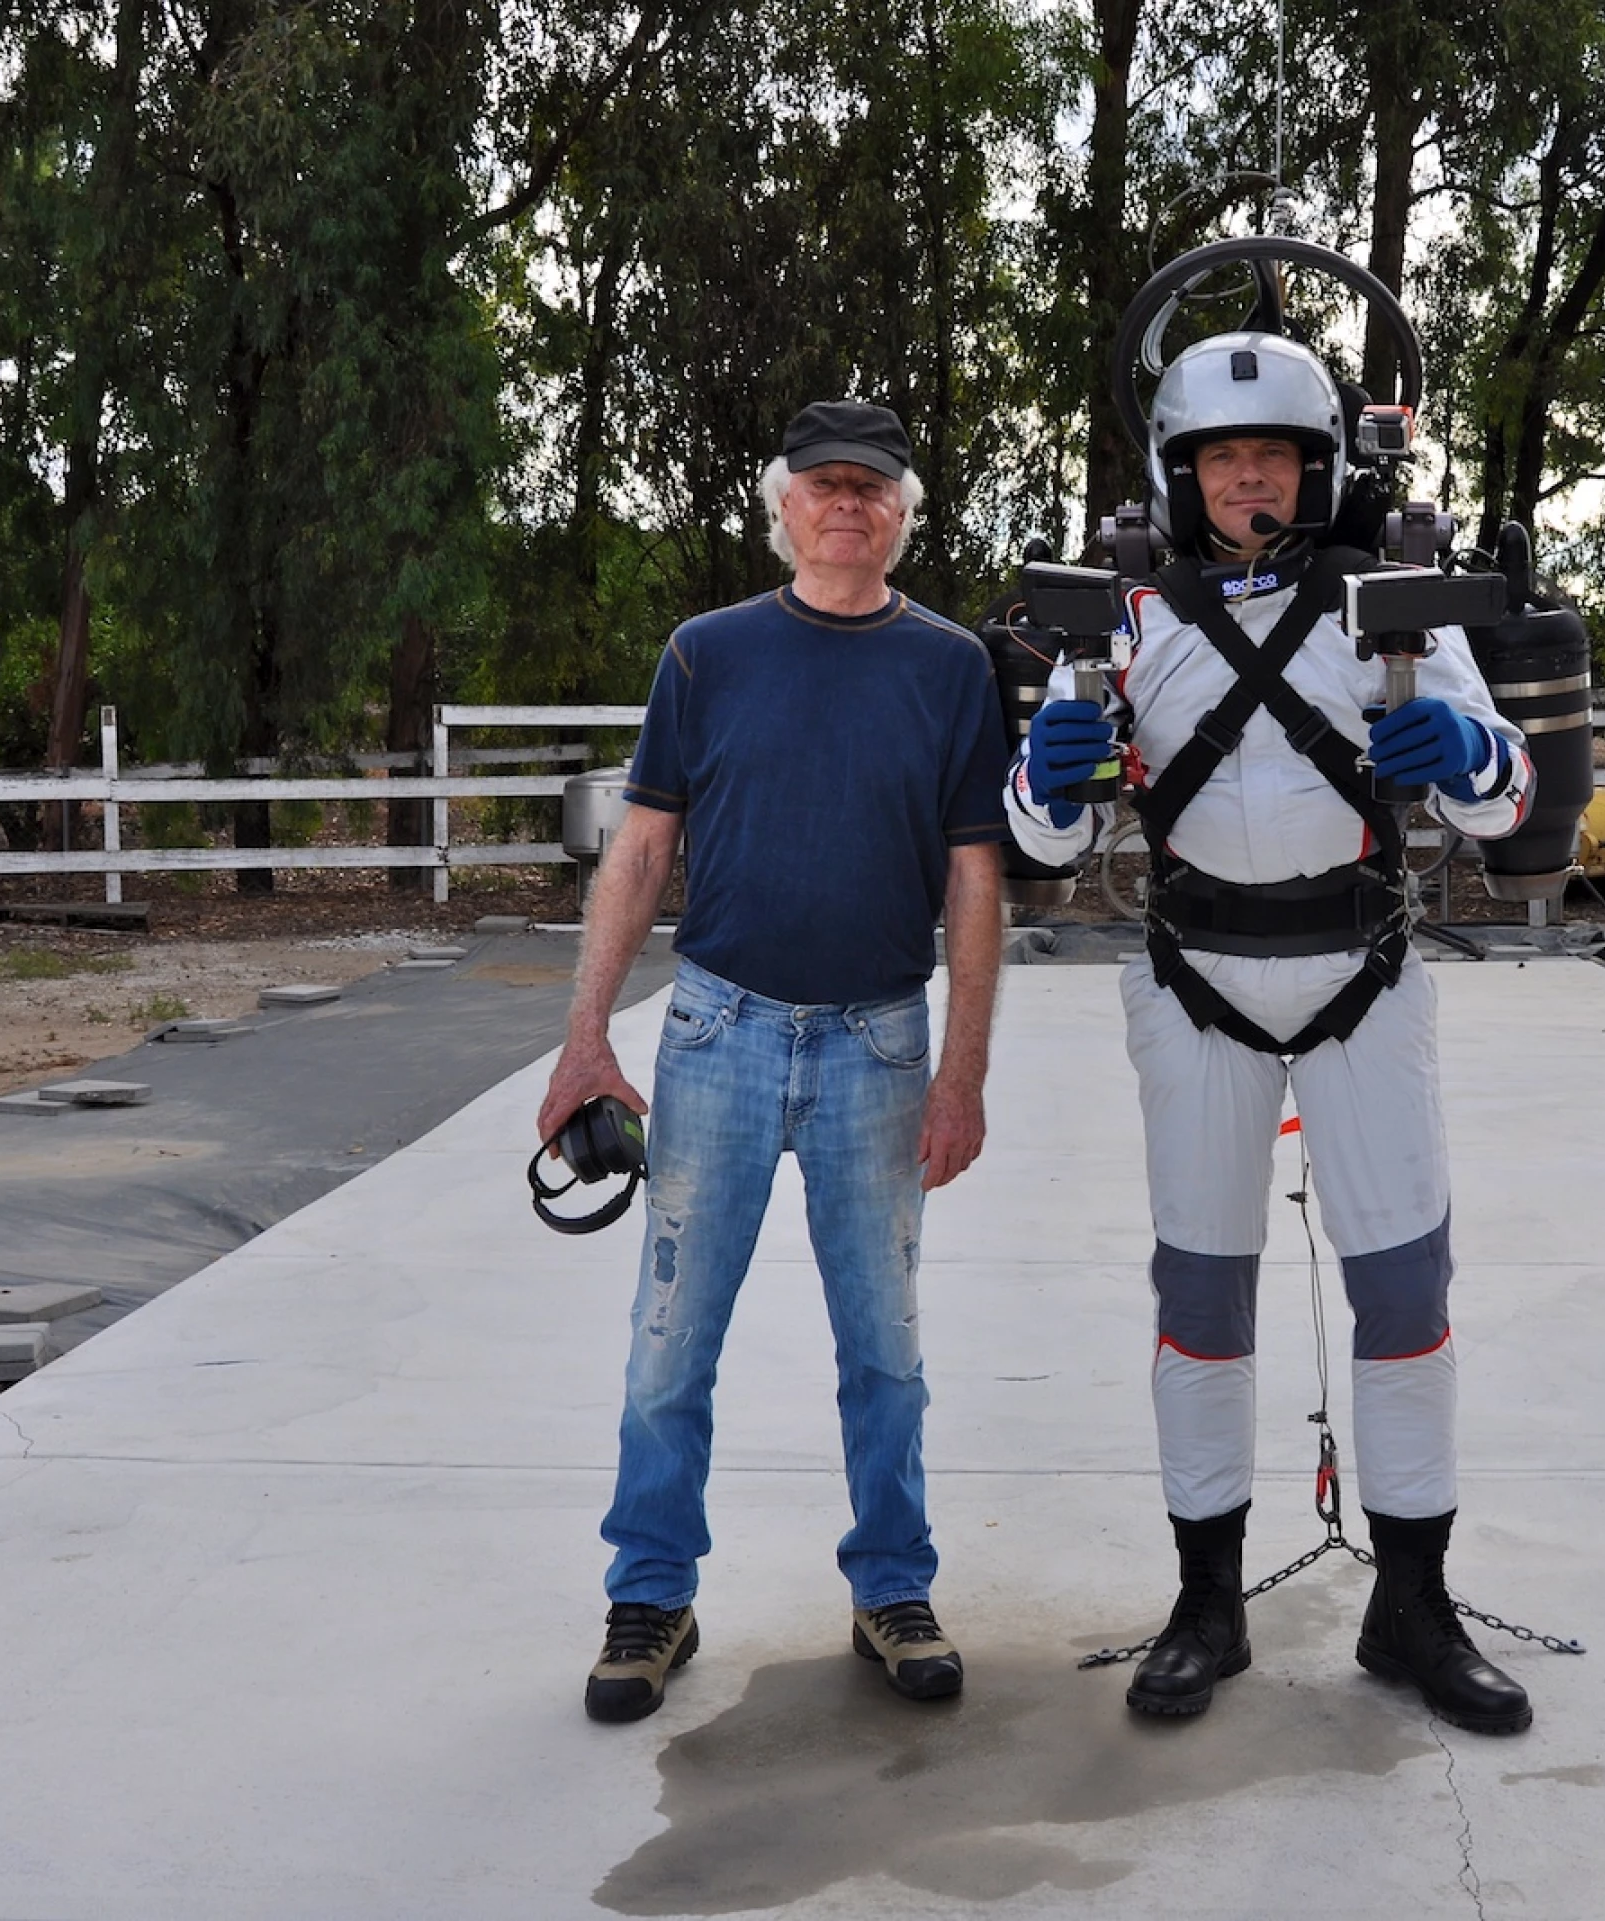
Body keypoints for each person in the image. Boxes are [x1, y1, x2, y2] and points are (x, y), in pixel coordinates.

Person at [1004, 330, 1538, 1735]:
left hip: (1362, 980)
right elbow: (1044, 837)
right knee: (1200, 1301)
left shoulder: (1396, 604)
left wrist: (1468, 756)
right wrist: (1049, 771)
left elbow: (1506, 802)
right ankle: (1207, 1604)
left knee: (1408, 1302)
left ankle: (1412, 1608)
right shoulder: (1126, 620)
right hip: (1197, 990)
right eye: (1224, 462)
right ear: (1180, 476)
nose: (1253, 484)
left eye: (1279, 460)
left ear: (1322, 471)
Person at [539, 400, 1008, 1724]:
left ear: (906, 513)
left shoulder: (951, 667)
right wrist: (586, 1038)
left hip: (877, 1042)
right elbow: (638, 851)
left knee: (887, 1345)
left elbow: (976, 877)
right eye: (823, 484)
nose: (847, 502)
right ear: (784, 506)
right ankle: (651, 1596)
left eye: (874, 484)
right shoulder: (708, 655)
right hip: (717, 1034)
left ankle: (892, 1586)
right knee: (671, 1340)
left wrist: (961, 1070)